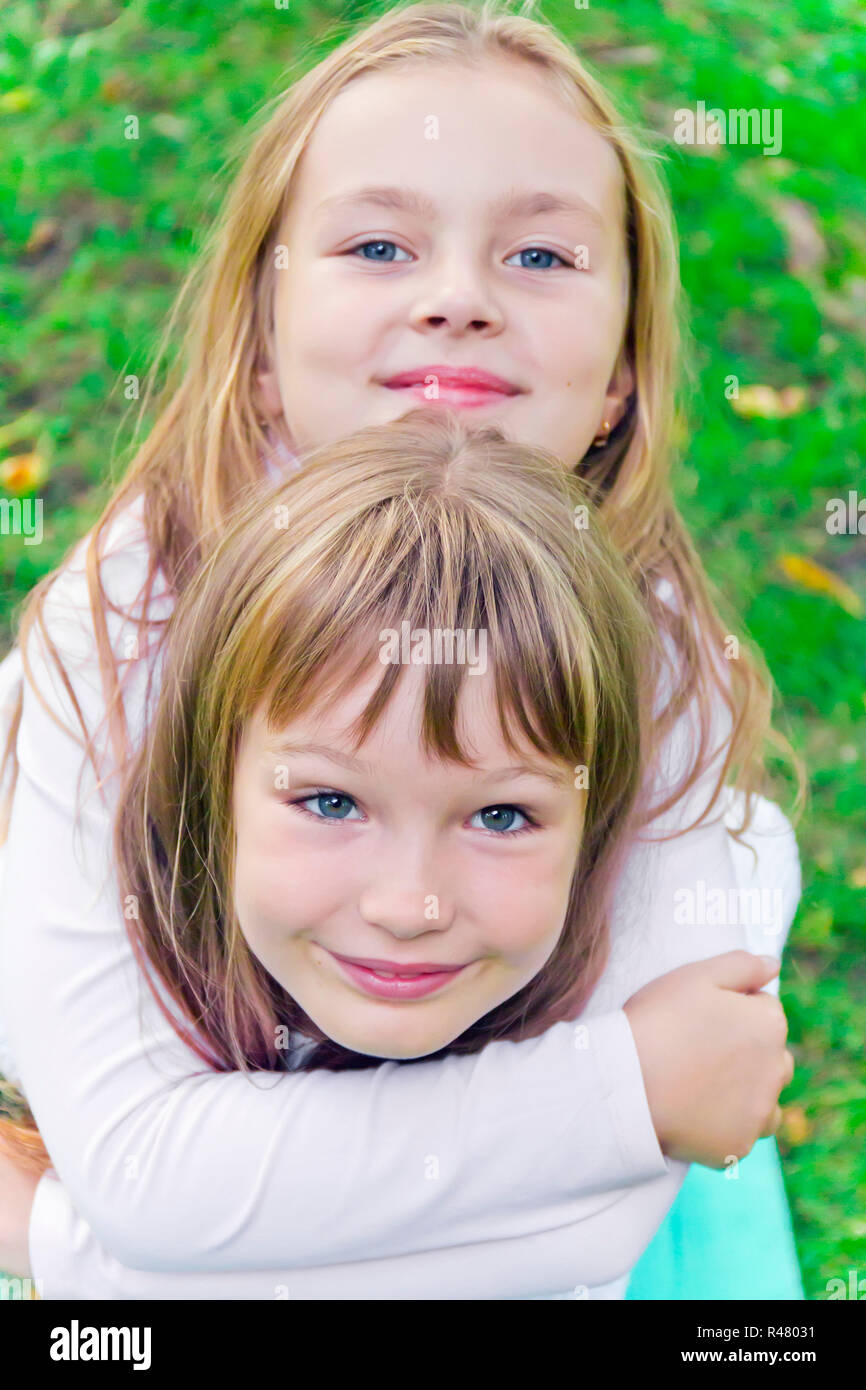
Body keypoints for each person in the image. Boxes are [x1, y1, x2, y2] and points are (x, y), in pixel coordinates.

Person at [0, 0, 800, 1297]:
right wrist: (619, 1093)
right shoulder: (114, 636)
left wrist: (64, 1238)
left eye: (540, 257)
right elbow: (149, 1174)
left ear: (617, 377)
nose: (456, 301)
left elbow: (588, 1239)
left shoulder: (659, 669)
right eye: (378, 244)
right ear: (259, 339)